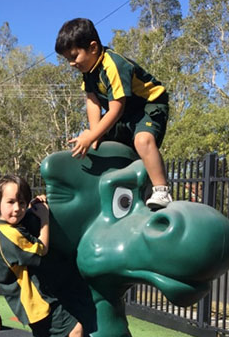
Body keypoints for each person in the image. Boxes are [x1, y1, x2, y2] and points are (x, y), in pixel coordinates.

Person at [0, 174, 126, 337]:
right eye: (11, 202)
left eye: (22, 202)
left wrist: (34, 208)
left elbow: (26, 228)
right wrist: (43, 219)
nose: (18, 208)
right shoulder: (9, 235)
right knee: (73, 330)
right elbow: (40, 248)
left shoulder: (9, 228)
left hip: (37, 298)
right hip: (36, 300)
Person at [55, 17, 172, 210]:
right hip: (125, 112)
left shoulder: (113, 65)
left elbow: (116, 108)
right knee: (99, 142)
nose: (71, 64)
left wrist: (93, 135)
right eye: (67, 59)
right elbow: (92, 100)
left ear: (93, 47)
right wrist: (94, 134)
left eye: (74, 56)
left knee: (142, 141)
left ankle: (161, 190)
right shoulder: (89, 70)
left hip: (148, 105)